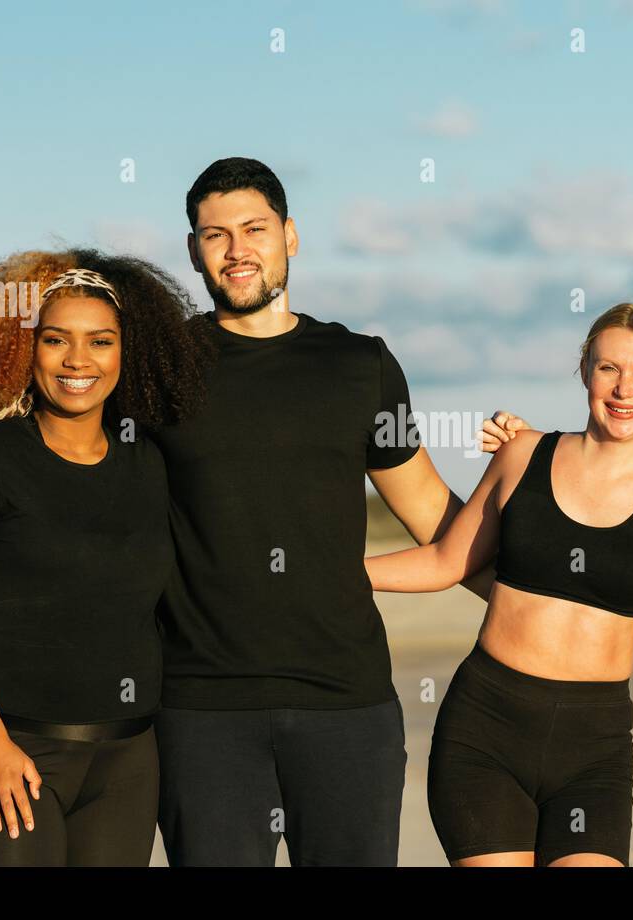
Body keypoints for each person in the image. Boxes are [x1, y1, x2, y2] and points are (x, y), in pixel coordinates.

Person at [148, 157, 499, 866]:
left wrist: (539, 599)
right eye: (215, 234)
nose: (237, 250)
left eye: (254, 229)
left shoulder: (359, 363)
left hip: (347, 704)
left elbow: (432, 511)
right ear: (193, 250)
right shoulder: (160, 366)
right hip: (201, 708)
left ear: (291, 236)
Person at [365, 304, 633, 866]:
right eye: (608, 368)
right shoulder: (521, 455)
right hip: (483, 729)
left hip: (594, 748)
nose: (624, 388)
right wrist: (338, 573)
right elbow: (444, 561)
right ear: (585, 370)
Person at [0, 249, 211, 865]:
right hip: (11, 749)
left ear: (128, 355)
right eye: (57, 340)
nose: (79, 361)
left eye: (101, 341)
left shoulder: (152, 462)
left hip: (129, 762)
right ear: (26, 349)